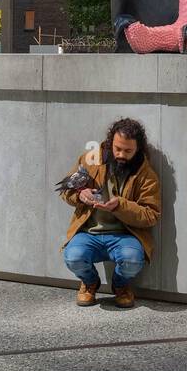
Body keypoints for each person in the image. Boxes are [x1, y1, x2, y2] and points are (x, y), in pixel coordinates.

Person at [59, 117, 160, 308]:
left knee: (132, 261)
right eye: (117, 148)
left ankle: (120, 286)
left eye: (128, 151)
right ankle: (90, 283)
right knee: (73, 257)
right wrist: (80, 194)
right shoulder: (90, 159)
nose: (121, 154)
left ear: (138, 149)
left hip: (125, 234)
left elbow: (151, 215)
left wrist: (120, 206)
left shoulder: (146, 173)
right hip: (89, 232)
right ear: (110, 142)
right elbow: (66, 190)